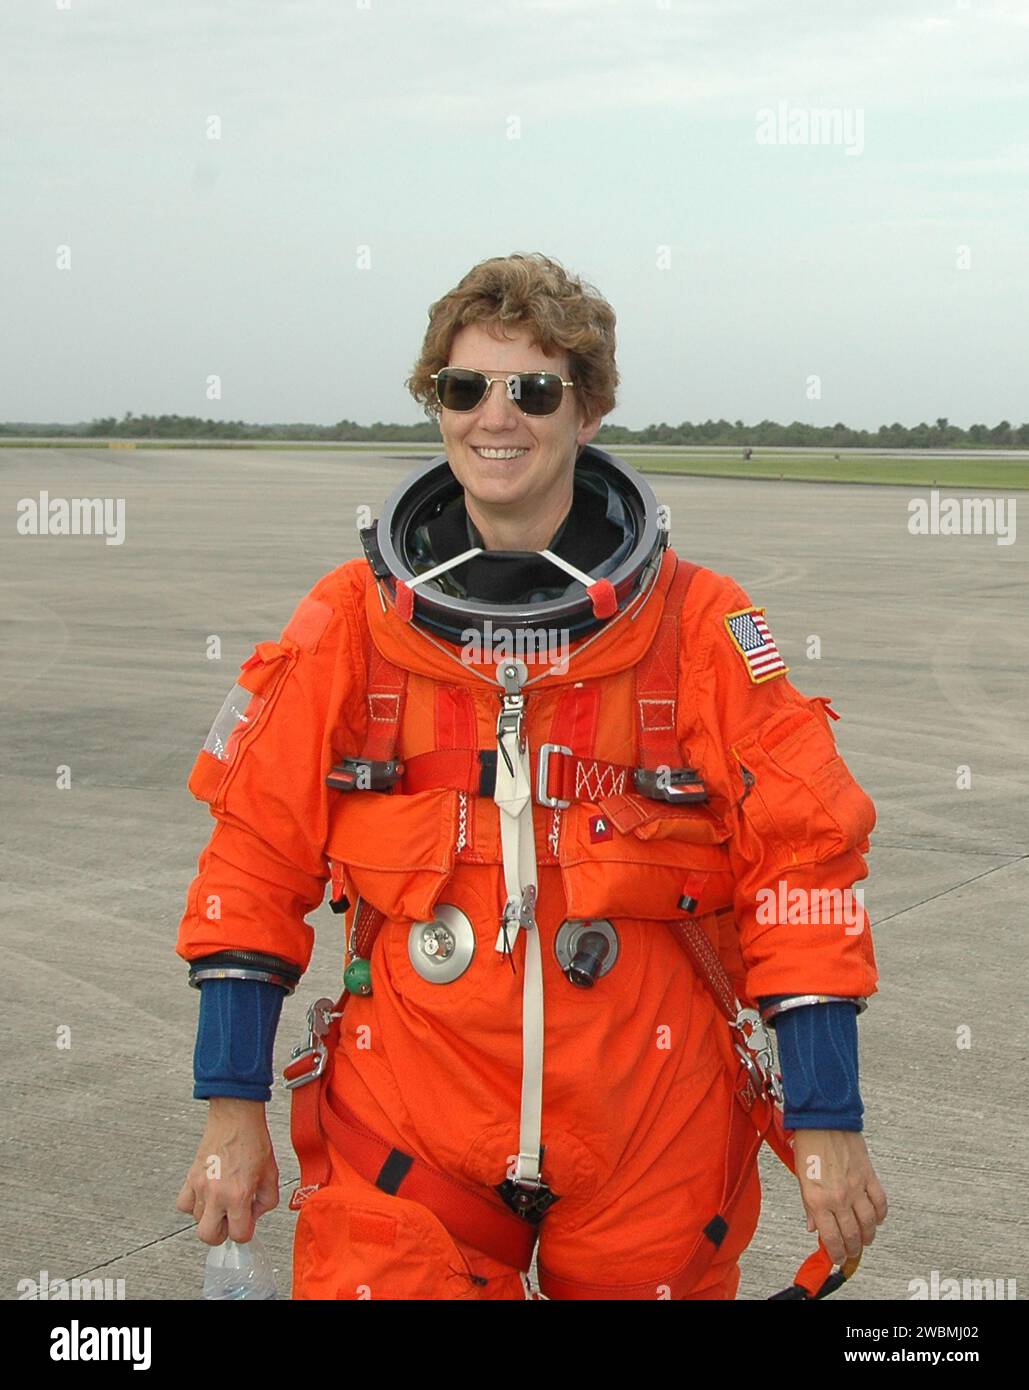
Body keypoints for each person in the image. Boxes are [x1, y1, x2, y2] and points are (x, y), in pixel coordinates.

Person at [175, 252, 888, 1300]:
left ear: (589, 409)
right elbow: (254, 856)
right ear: (438, 405)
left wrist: (825, 1119)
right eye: (465, 388)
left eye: (534, 389)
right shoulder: (347, 623)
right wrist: (231, 1107)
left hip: (652, 1130)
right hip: (408, 1136)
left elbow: (807, 857)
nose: (495, 417)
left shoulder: (699, 627)